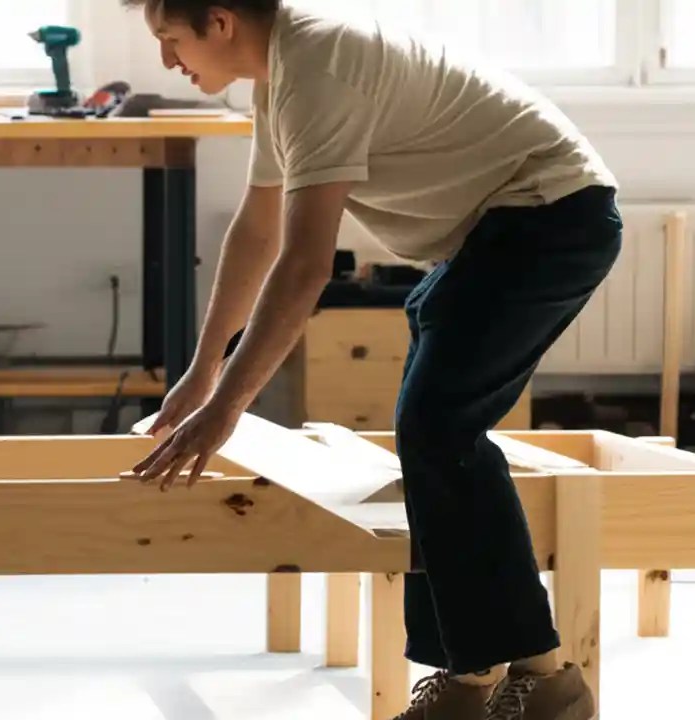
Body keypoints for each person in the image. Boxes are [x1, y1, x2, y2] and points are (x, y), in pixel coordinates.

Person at [125, 1, 621, 718]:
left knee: (438, 429)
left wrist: (227, 408)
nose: (170, 62)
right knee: (431, 440)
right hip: (492, 237)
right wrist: (203, 376)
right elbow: (257, 232)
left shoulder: (320, 67)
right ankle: (480, 675)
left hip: (549, 216)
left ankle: (540, 681)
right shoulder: (282, 78)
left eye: (171, 41)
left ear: (221, 21)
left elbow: (302, 266)